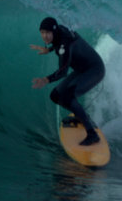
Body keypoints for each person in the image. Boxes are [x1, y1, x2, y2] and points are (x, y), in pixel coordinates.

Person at [31, 17, 105, 146]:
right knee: (55, 96)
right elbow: (59, 41)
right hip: (82, 69)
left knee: (68, 96)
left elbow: (63, 71)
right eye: (42, 32)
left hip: (94, 70)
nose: (45, 36)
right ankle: (81, 117)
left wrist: (46, 79)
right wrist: (49, 49)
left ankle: (92, 135)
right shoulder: (60, 31)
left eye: (47, 32)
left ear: (54, 31)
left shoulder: (64, 44)